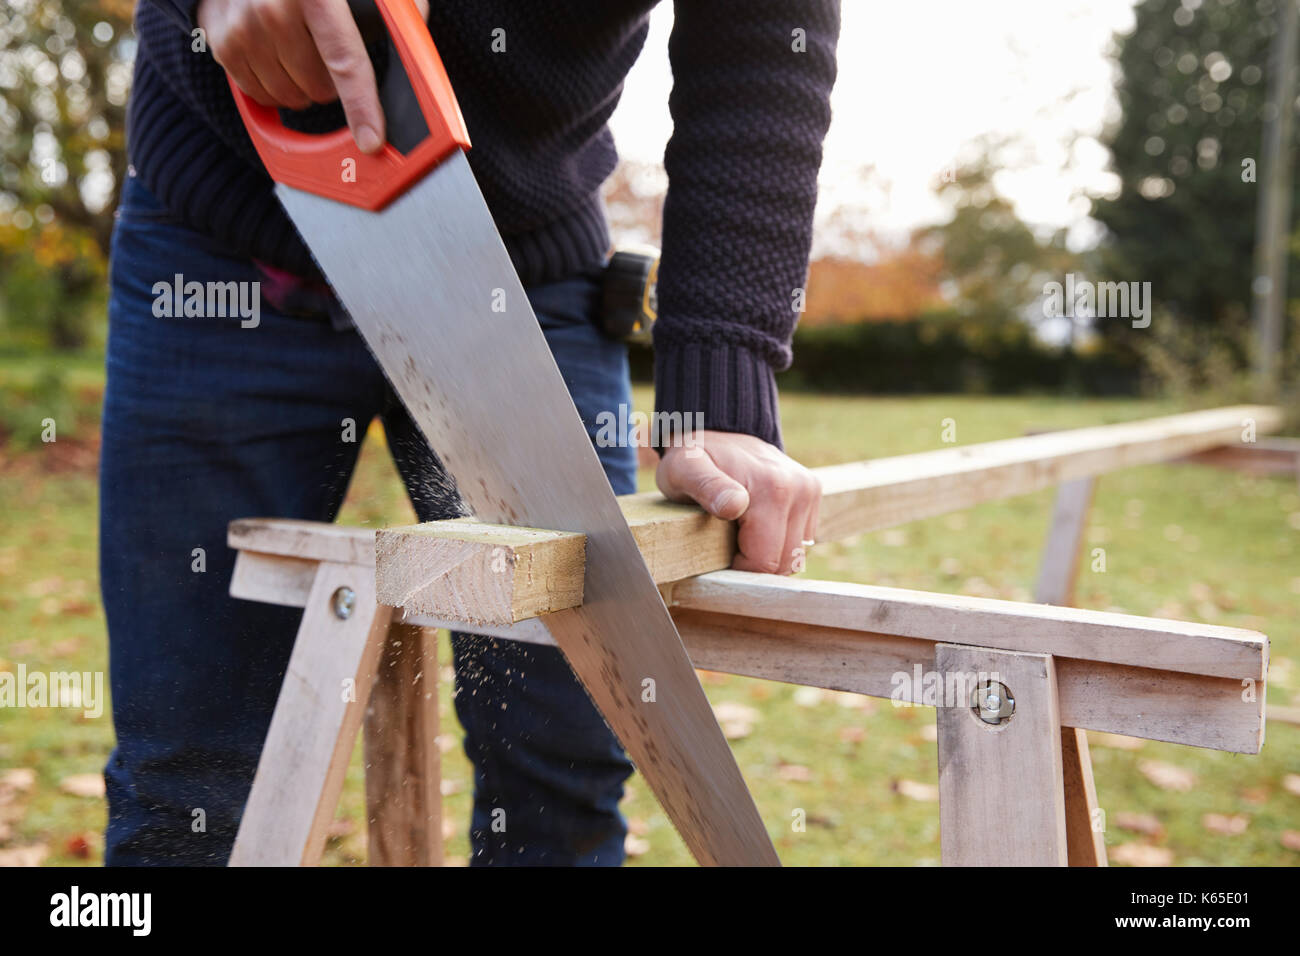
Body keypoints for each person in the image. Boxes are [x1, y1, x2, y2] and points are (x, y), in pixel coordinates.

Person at [103, 0, 839, 865]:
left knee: (563, 763)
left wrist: (722, 391)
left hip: (525, 264)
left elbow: (761, 38)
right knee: (188, 784)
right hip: (220, 238)